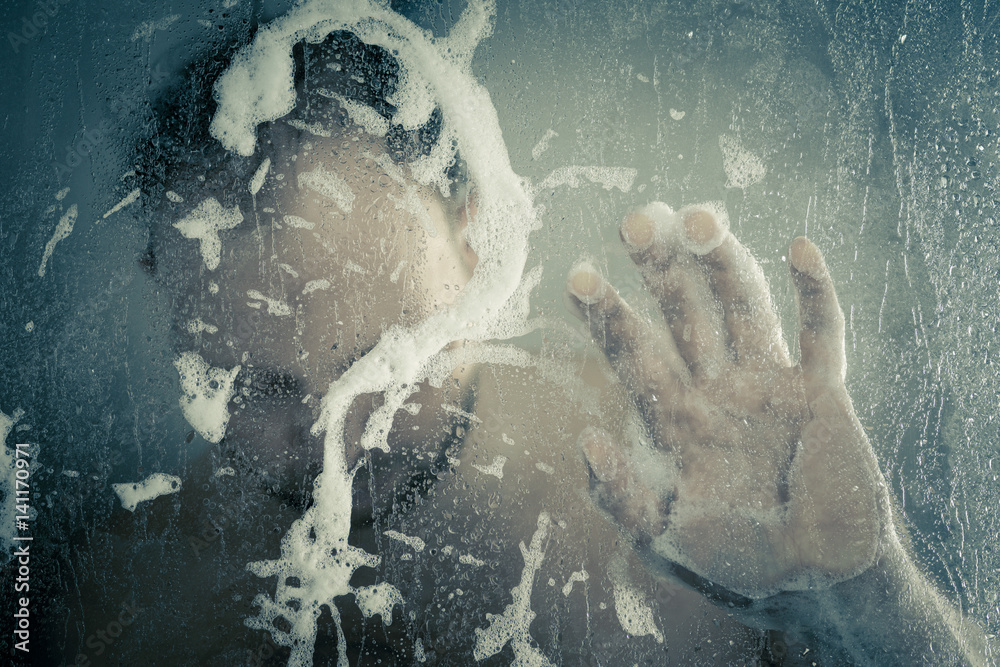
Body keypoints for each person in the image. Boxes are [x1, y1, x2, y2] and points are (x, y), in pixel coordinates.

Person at [49, 21, 993, 667]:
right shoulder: (130, 603)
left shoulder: (682, 495)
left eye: (390, 354)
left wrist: (866, 597)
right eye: (258, 388)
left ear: (475, 242)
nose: (339, 438)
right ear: (177, 321)